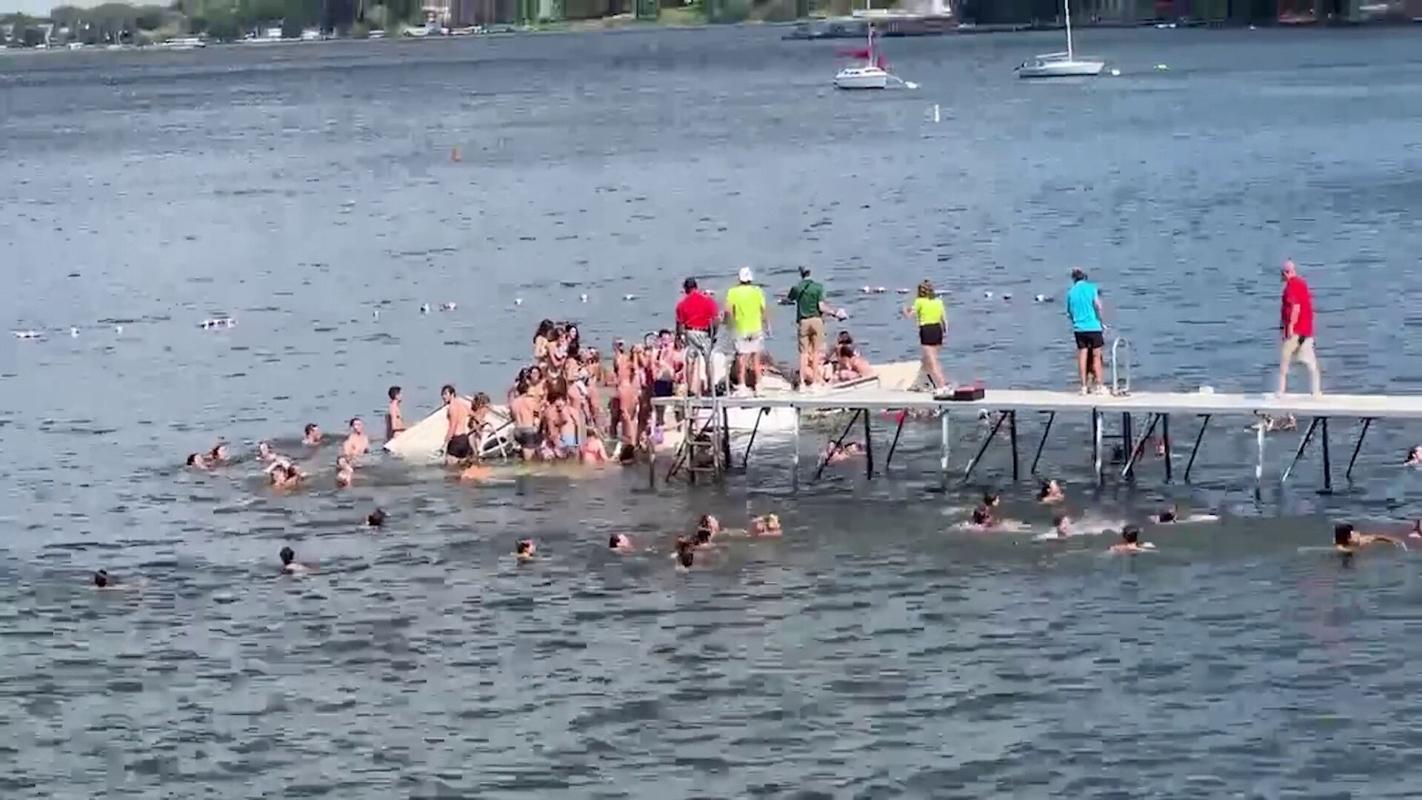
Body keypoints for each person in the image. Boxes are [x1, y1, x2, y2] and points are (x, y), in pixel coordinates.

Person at [786, 267, 838, 391]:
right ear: (810, 273)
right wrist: (833, 312)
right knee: (815, 353)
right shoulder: (818, 287)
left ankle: (803, 383)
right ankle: (815, 382)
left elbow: (789, 299)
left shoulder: (797, 288)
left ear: (800, 274)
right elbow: (821, 306)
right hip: (816, 321)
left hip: (803, 321)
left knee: (803, 354)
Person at [1276, 258, 1322, 397]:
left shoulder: (1291, 287)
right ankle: (1316, 391)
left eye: (1282, 274)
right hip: (1306, 331)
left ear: (1286, 273)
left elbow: (1295, 307)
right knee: (1310, 363)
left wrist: (1289, 326)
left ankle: (1280, 391)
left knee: (1284, 362)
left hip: (1294, 331)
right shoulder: (1303, 284)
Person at [724, 266, 769, 396]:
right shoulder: (757, 291)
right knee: (756, 357)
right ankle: (759, 385)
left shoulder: (733, 292)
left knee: (741, 358)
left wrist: (727, 323)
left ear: (739, 279)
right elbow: (763, 310)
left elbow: (727, 311)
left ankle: (742, 386)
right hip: (756, 327)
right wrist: (767, 325)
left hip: (740, 328)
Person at [674, 278, 719, 396]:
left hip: (690, 332)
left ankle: (689, 389)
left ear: (685, 289)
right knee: (708, 360)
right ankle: (710, 387)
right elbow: (715, 320)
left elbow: (679, 324)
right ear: (696, 287)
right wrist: (713, 334)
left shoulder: (682, 304)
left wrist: (678, 338)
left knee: (691, 360)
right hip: (704, 332)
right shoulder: (708, 300)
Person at [1066, 268, 1107, 395]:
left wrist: (1075, 322)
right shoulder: (1091, 288)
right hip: (1093, 326)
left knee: (1082, 357)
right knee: (1096, 356)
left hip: (1079, 328)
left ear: (1073, 279)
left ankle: (1083, 386)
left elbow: (1070, 312)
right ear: (1085, 277)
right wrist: (1101, 321)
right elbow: (1098, 306)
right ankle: (1099, 385)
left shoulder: (1071, 292)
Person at [903, 280, 947, 390]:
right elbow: (944, 320)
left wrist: (904, 310)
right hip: (938, 329)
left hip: (926, 330)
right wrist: (944, 332)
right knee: (926, 360)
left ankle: (942, 385)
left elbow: (909, 315)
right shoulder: (938, 301)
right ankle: (921, 382)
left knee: (933, 361)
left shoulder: (919, 302)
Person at [440, 384, 474, 462]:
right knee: (462, 470)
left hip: (456, 440)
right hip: (465, 440)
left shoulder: (452, 407)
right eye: (442, 394)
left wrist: (446, 441)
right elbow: (475, 415)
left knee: (450, 470)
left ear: (452, 394)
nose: (443, 396)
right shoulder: (463, 404)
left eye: (445, 394)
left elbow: (453, 425)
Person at [1334, 523, 1399, 553]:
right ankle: (1395, 542)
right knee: (1377, 537)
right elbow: (1344, 550)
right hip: (1367, 543)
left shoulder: (1350, 537)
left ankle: (1395, 541)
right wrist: (1360, 548)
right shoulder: (1340, 545)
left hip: (1367, 540)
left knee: (1377, 537)